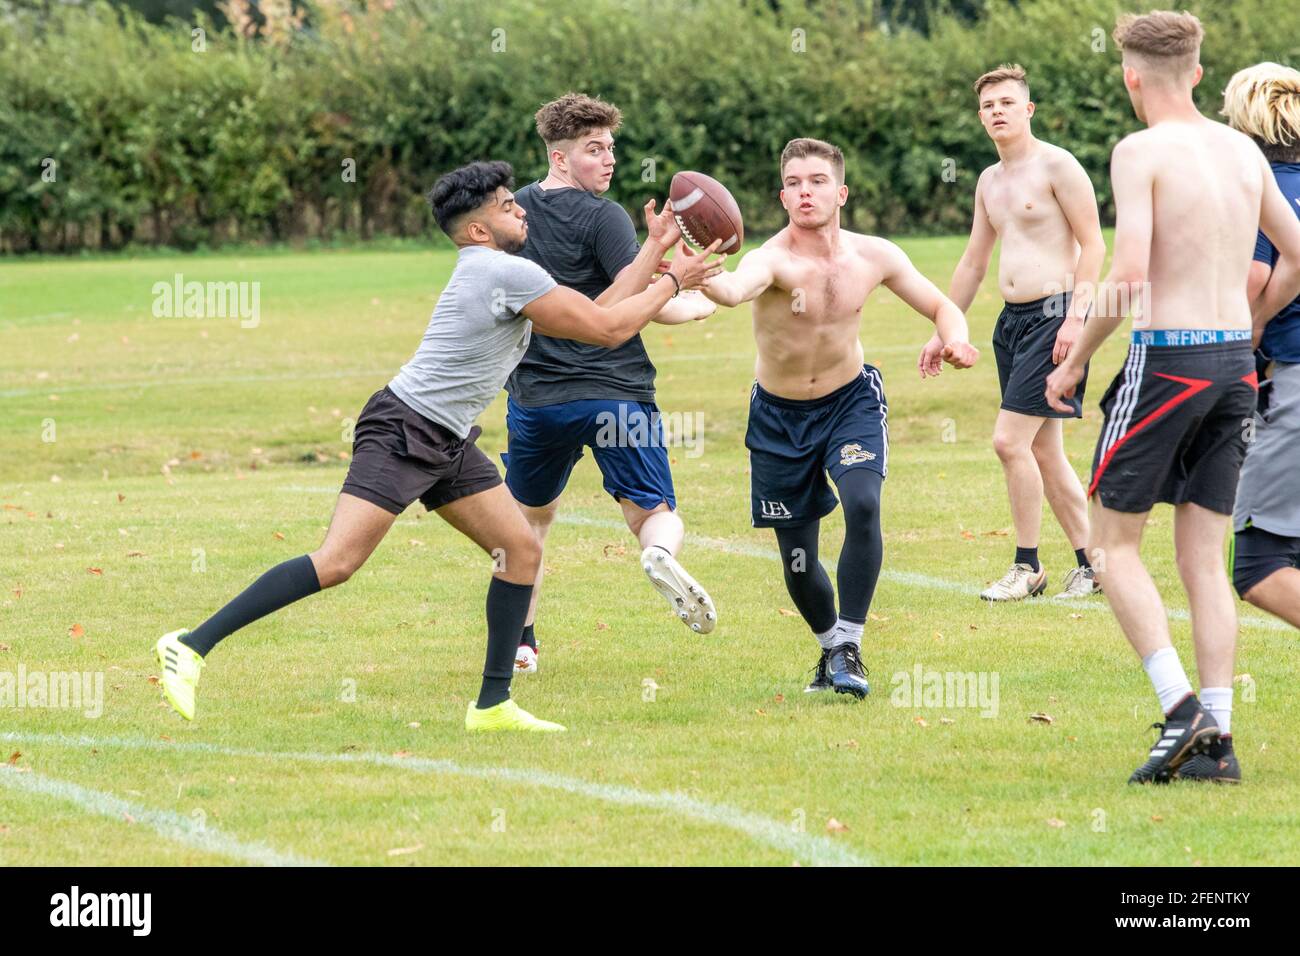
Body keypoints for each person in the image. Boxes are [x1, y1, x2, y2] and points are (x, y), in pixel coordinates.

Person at [154, 160, 721, 732]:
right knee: (338, 562)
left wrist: (653, 249)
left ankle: (494, 705)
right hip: (405, 428)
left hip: (446, 438)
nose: (520, 207)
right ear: (477, 229)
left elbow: (597, 312)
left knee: (519, 552)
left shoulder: (500, 269)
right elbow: (608, 331)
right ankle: (191, 645)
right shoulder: (505, 273)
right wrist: (673, 281)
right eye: (506, 206)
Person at [1045, 12, 1300, 783]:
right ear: (1194, 71)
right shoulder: (1243, 152)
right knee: (1202, 558)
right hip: (1233, 365)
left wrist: (1074, 359)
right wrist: (1252, 319)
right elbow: (1296, 252)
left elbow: (1126, 276)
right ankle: (1216, 743)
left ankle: (1180, 708)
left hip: (1169, 362)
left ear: (1131, 76)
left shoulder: (1139, 151)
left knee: (1110, 543)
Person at [699, 138, 978, 699]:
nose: (806, 192)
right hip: (778, 419)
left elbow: (942, 305)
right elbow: (732, 290)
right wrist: (697, 272)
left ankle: (850, 643)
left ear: (841, 192)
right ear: (782, 196)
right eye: (796, 183)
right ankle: (831, 650)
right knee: (798, 559)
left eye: (818, 181)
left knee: (864, 501)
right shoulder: (771, 259)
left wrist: (956, 339)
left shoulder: (874, 255)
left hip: (849, 401)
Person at [503, 93, 720, 676]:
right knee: (653, 512)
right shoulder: (604, 216)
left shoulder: (513, 214)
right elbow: (645, 303)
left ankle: (519, 645)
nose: (608, 161)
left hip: (537, 400)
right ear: (559, 156)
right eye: (594, 150)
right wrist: (698, 301)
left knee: (527, 525)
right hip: (615, 392)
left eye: (611, 149)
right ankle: (658, 553)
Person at [924, 64, 1105, 601]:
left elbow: (1094, 245)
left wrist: (1077, 317)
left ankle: (1027, 567)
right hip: (1013, 324)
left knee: (1008, 441)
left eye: (1007, 102)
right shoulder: (988, 181)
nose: (997, 111)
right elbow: (975, 262)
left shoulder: (1058, 165)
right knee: (1044, 450)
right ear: (980, 117)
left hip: (1057, 316)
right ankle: (1094, 565)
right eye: (988, 105)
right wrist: (944, 325)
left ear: (1027, 109)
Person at [1222, 61, 1300, 633]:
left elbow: (1256, 274)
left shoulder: (1262, 187)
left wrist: (1250, 325)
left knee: (1260, 566)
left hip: (1293, 376)